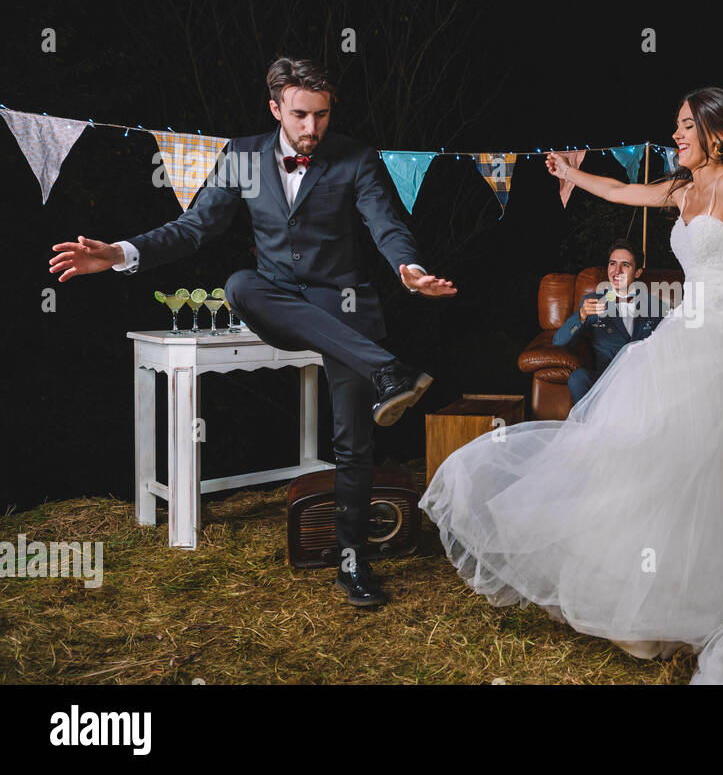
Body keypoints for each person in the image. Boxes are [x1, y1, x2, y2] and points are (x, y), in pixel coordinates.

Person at [419, 87, 723, 684]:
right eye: (676, 126)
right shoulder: (679, 188)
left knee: (715, 460)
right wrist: (573, 172)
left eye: (686, 127)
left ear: (717, 136)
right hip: (684, 333)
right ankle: (666, 594)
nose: (676, 136)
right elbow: (621, 191)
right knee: (656, 457)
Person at [47, 57, 457, 608]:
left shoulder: (356, 158)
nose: (312, 129)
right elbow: (194, 228)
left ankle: (352, 558)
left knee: (353, 441)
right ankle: (389, 369)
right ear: (275, 109)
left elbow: (386, 222)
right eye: (301, 116)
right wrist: (120, 253)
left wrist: (407, 268)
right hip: (279, 305)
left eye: (322, 115)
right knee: (241, 282)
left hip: (346, 309)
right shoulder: (241, 156)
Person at [553, 239, 666, 405]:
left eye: (625, 265)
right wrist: (582, 315)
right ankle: (589, 428)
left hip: (641, 384)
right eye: (613, 263)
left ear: (637, 272)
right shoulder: (592, 301)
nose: (617, 271)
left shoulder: (654, 305)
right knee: (578, 378)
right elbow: (559, 341)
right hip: (604, 384)